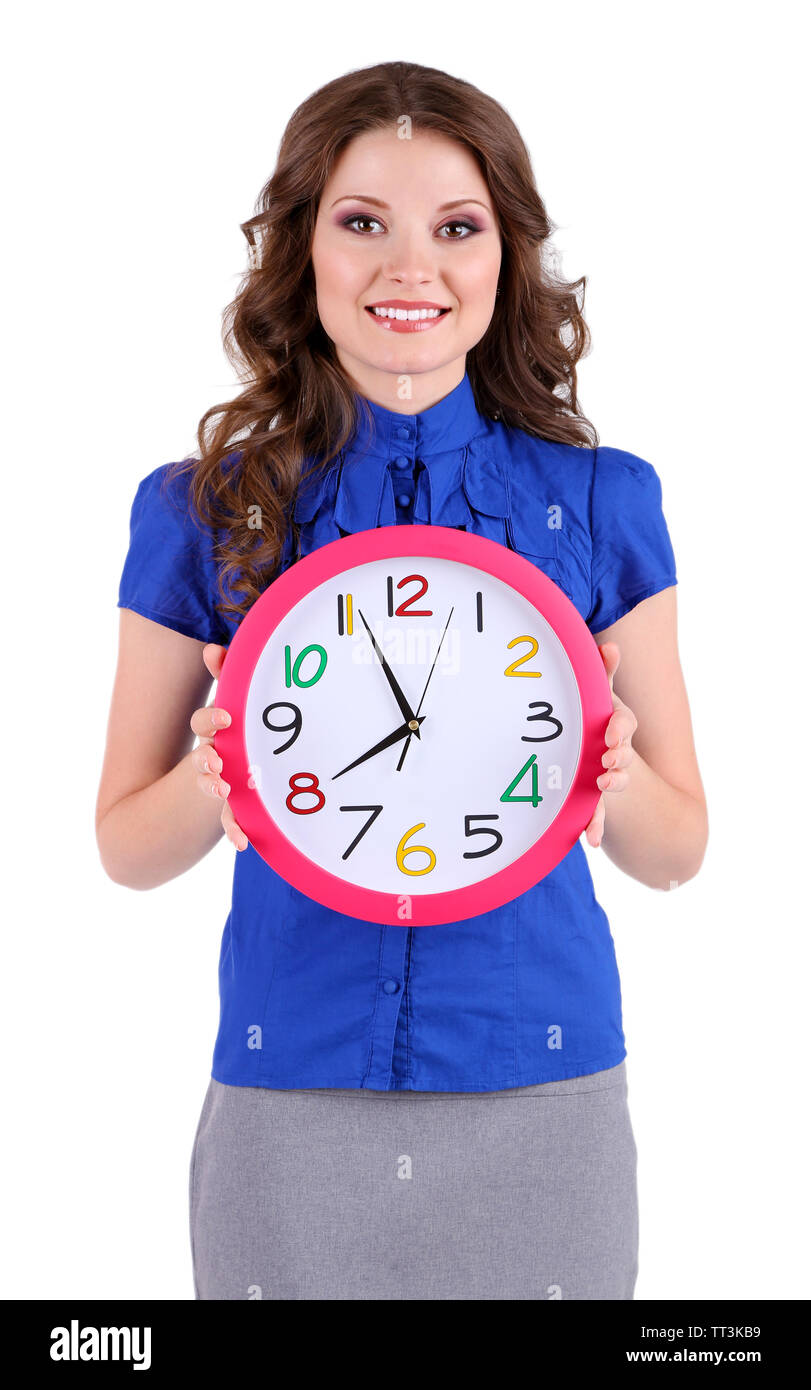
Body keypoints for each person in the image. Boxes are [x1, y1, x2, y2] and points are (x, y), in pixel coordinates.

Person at [96, 60, 708, 1301]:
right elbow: (125, 845)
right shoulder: (200, 508)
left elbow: (676, 847)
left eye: (457, 227)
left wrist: (617, 775)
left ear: (506, 256)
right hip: (290, 1074)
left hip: (539, 1074)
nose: (408, 267)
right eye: (362, 222)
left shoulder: (601, 500)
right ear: (301, 249)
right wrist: (223, 770)